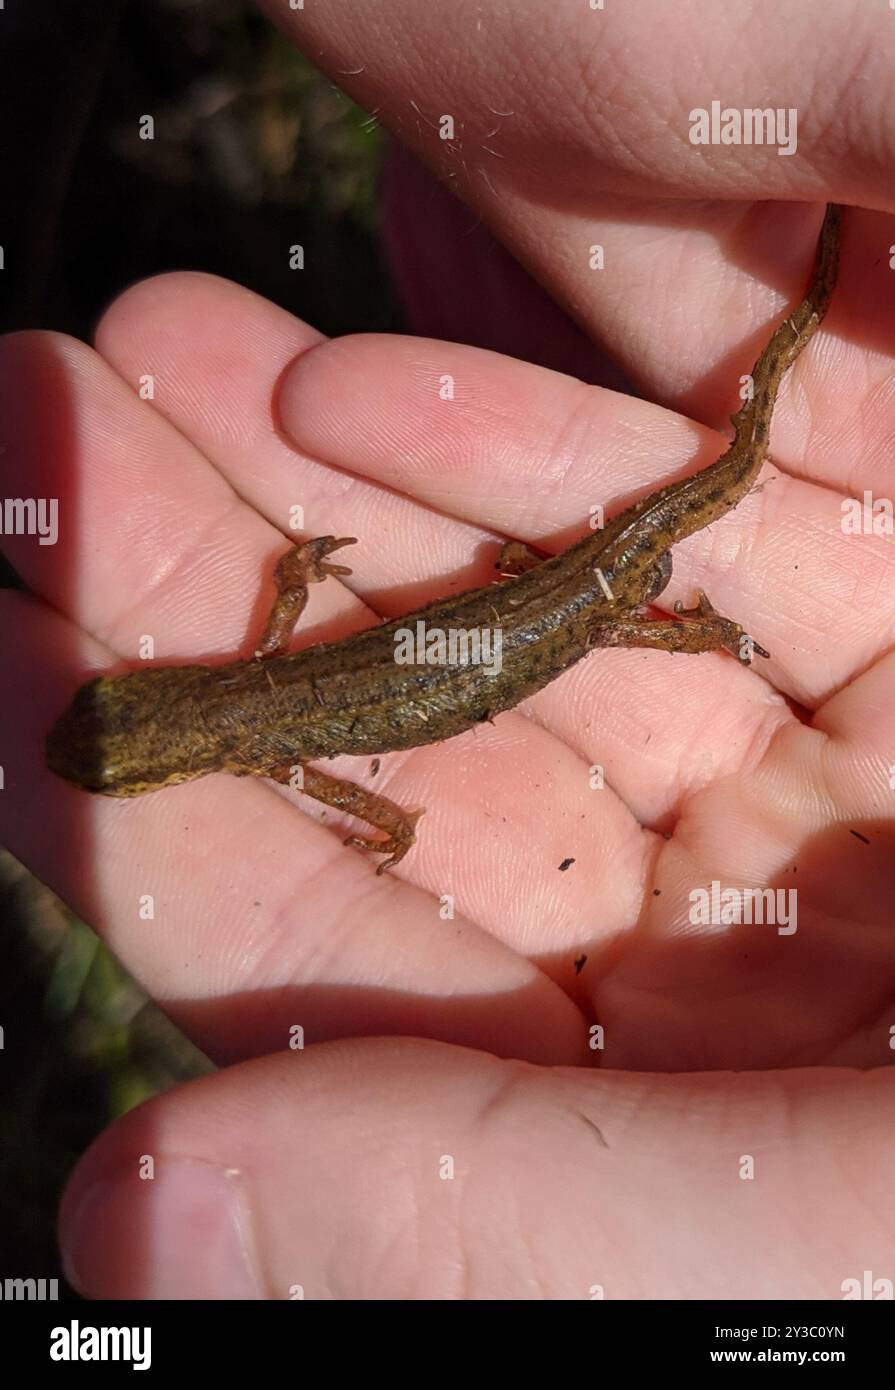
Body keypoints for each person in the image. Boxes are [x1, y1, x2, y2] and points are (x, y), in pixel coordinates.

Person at [2, 0, 893, 1297]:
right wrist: (303, 574)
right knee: (670, 519)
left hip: (551, 614)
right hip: (533, 612)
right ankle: (751, 443)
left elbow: (402, 825)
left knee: (700, 502)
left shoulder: (281, 749)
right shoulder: (263, 703)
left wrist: (379, 822)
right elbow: (298, 632)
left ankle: (715, 553)